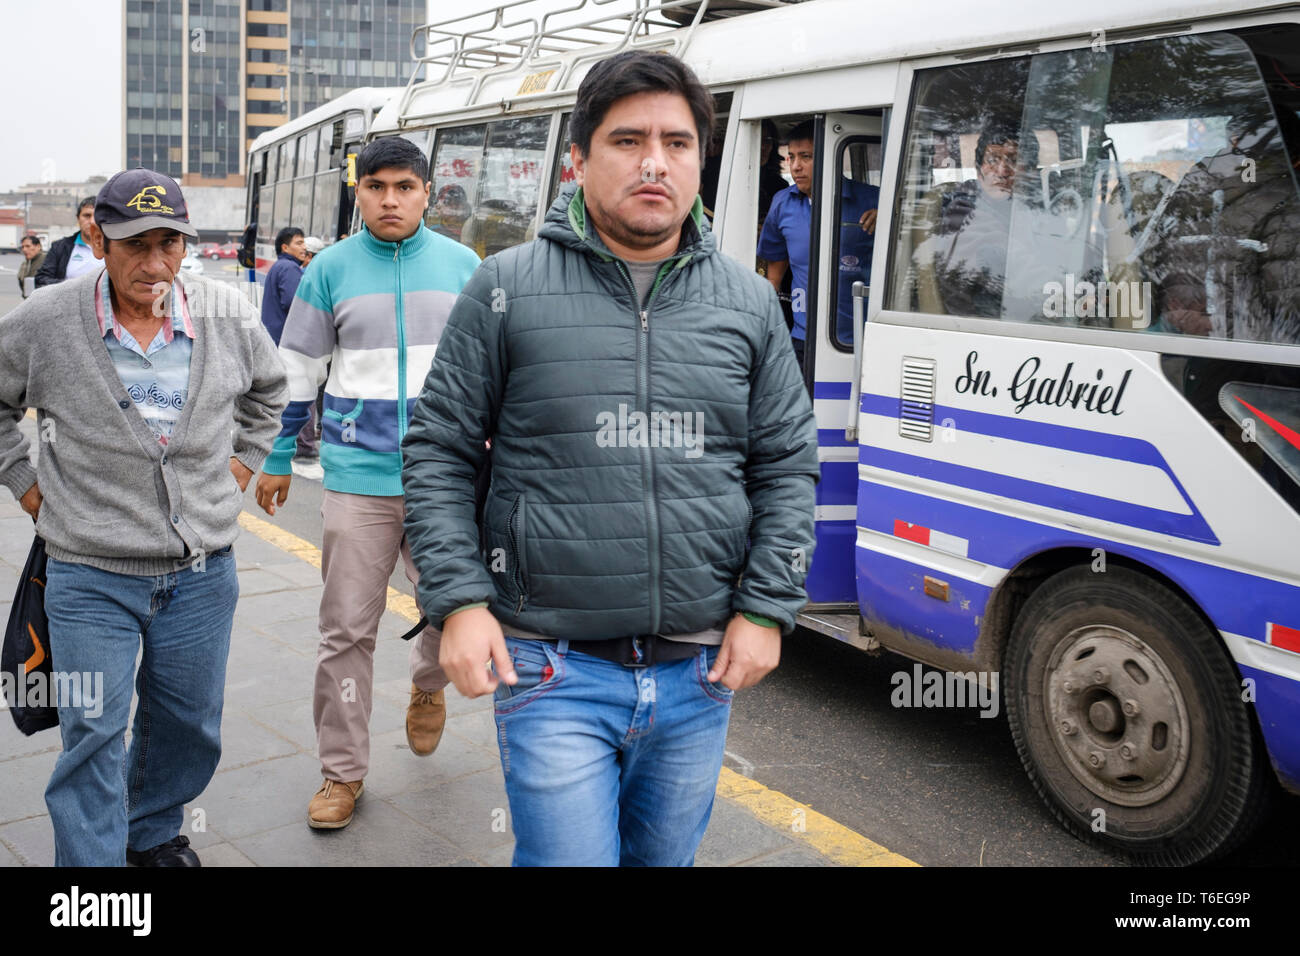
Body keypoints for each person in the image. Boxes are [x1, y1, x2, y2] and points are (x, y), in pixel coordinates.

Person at [401, 50, 820, 866]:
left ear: (703, 158)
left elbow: (785, 465)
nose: (655, 161)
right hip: (549, 664)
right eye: (628, 140)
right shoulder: (502, 288)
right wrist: (458, 603)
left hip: (701, 672)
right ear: (579, 159)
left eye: (678, 141)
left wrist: (768, 607)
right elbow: (439, 452)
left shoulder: (747, 303)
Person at [0, 168, 288, 866]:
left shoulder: (224, 313)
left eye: (171, 243)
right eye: (137, 244)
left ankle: (150, 834)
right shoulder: (46, 320)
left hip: (201, 575)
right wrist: (29, 487)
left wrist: (241, 469)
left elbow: (270, 394)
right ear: (99, 238)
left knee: (189, 728)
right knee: (94, 731)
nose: (156, 263)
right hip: (89, 573)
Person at [254, 137, 480, 830]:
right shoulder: (329, 269)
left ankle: (427, 685)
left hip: (449, 476)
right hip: (358, 476)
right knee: (345, 631)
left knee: (452, 611)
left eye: (404, 187)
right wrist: (279, 454)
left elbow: (493, 372)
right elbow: (299, 370)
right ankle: (342, 773)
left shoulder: (466, 267)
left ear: (426, 191)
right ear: (360, 192)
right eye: (376, 186)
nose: (389, 199)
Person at [757, 121, 879, 364]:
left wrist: (889, 216)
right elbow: (777, 255)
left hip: (861, 338)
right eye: (791, 157)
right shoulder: (782, 203)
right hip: (803, 337)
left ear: (828, 156)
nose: (796, 167)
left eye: (806, 157)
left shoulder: (872, 200)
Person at [915, 119, 1037, 317]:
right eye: (993, 160)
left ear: (1030, 170)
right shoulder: (964, 211)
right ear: (978, 168)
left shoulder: (1031, 208)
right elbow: (966, 280)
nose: (1002, 171)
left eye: (1013, 160)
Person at [261, 226, 319, 469]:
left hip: (277, 340)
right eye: (298, 242)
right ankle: (304, 445)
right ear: (285, 247)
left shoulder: (280, 267)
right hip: (290, 342)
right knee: (302, 391)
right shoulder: (289, 268)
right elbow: (298, 303)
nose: (303, 247)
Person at [35, 197, 99, 287]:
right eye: (87, 216)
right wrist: (71, 288)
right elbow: (41, 279)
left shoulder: (115, 248)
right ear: (78, 218)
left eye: (97, 216)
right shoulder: (60, 247)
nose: (92, 221)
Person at [17, 234, 45, 298]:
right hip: (28, 301)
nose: (24, 249)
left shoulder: (47, 261)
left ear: (38, 246)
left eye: (28, 246)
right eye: (23, 247)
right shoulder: (24, 264)